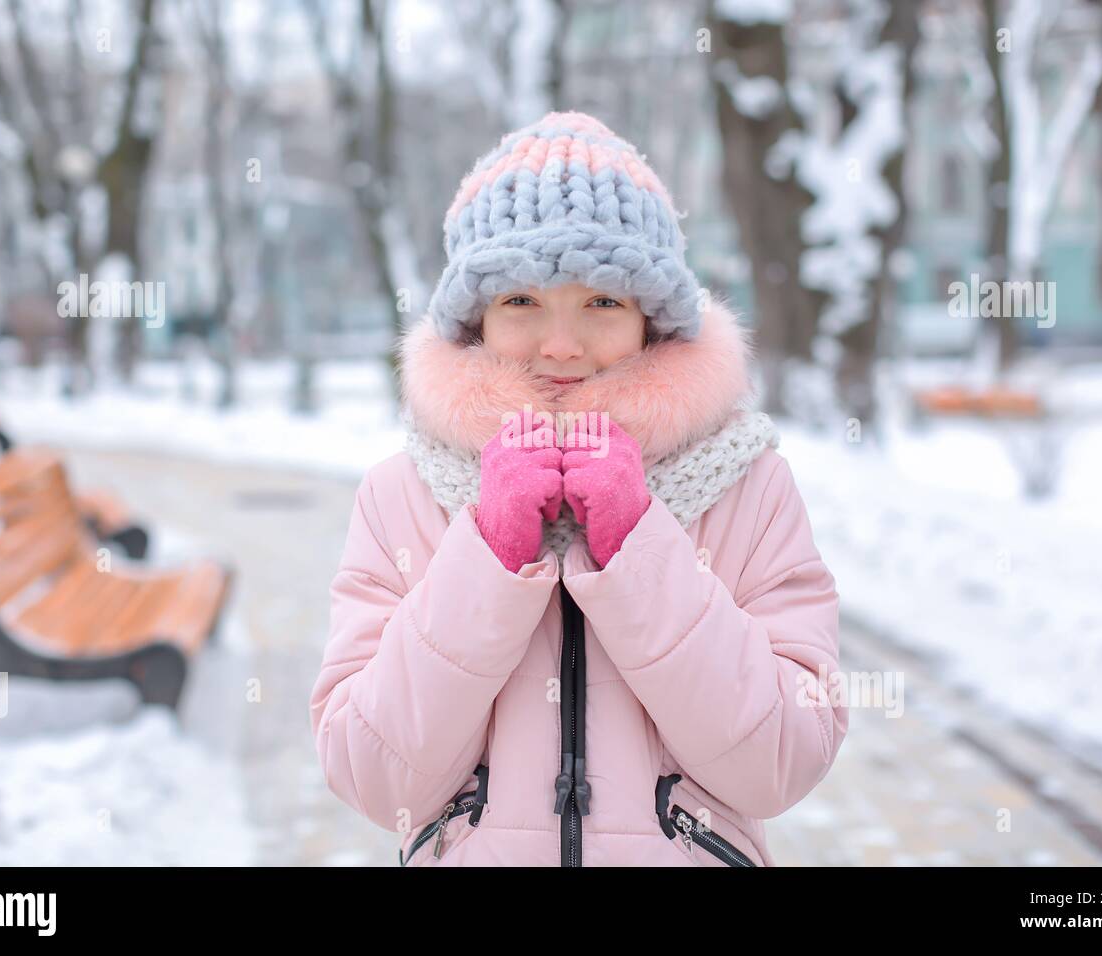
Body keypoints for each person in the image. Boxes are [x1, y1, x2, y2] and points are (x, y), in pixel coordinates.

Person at [308, 111, 848, 866]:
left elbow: (783, 761)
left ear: (652, 321)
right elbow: (371, 776)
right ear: (475, 320)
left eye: (602, 300)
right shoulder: (402, 497)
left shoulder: (747, 486)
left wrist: (641, 549)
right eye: (521, 301)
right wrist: (487, 559)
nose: (561, 344)